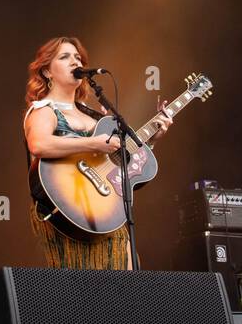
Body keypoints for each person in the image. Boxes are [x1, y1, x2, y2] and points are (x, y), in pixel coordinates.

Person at [22, 36, 170, 269]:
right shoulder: (44, 110)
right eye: (64, 57)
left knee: (129, 273)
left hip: (104, 210)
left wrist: (151, 140)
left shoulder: (92, 114)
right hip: (70, 211)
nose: (75, 62)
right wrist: (93, 144)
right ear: (47, 72)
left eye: (78, 57)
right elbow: (39, 145)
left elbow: (114, 160)